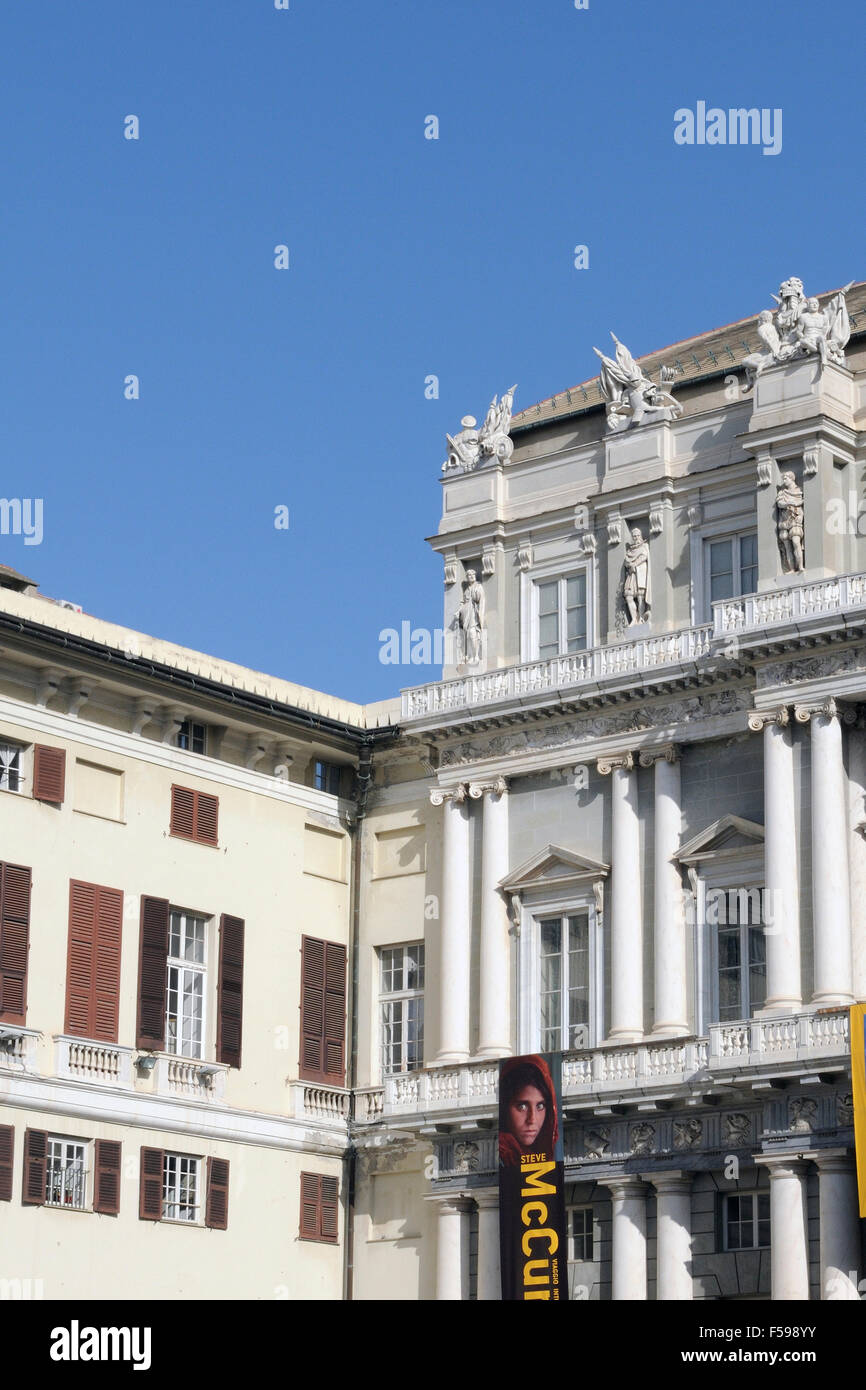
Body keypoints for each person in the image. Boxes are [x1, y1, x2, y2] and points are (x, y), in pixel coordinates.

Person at [498, 1055, 559, 1167]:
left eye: (540, 1106)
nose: (532, 1120)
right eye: (522, 1107)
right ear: (504, 1107)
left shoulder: (544, 1157)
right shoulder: (500, 1155)